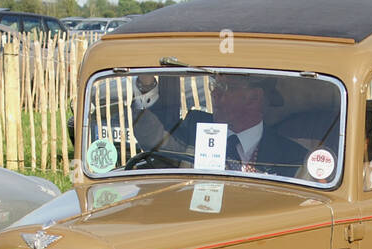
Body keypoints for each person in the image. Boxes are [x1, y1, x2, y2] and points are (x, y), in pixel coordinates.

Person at [130, 73, 309, 178]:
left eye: (224, 87)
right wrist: (146, 84)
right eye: (214, 85)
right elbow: (153, 139)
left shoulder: (292, 156)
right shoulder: (195, 128)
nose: (214, 93)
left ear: (254, 97)